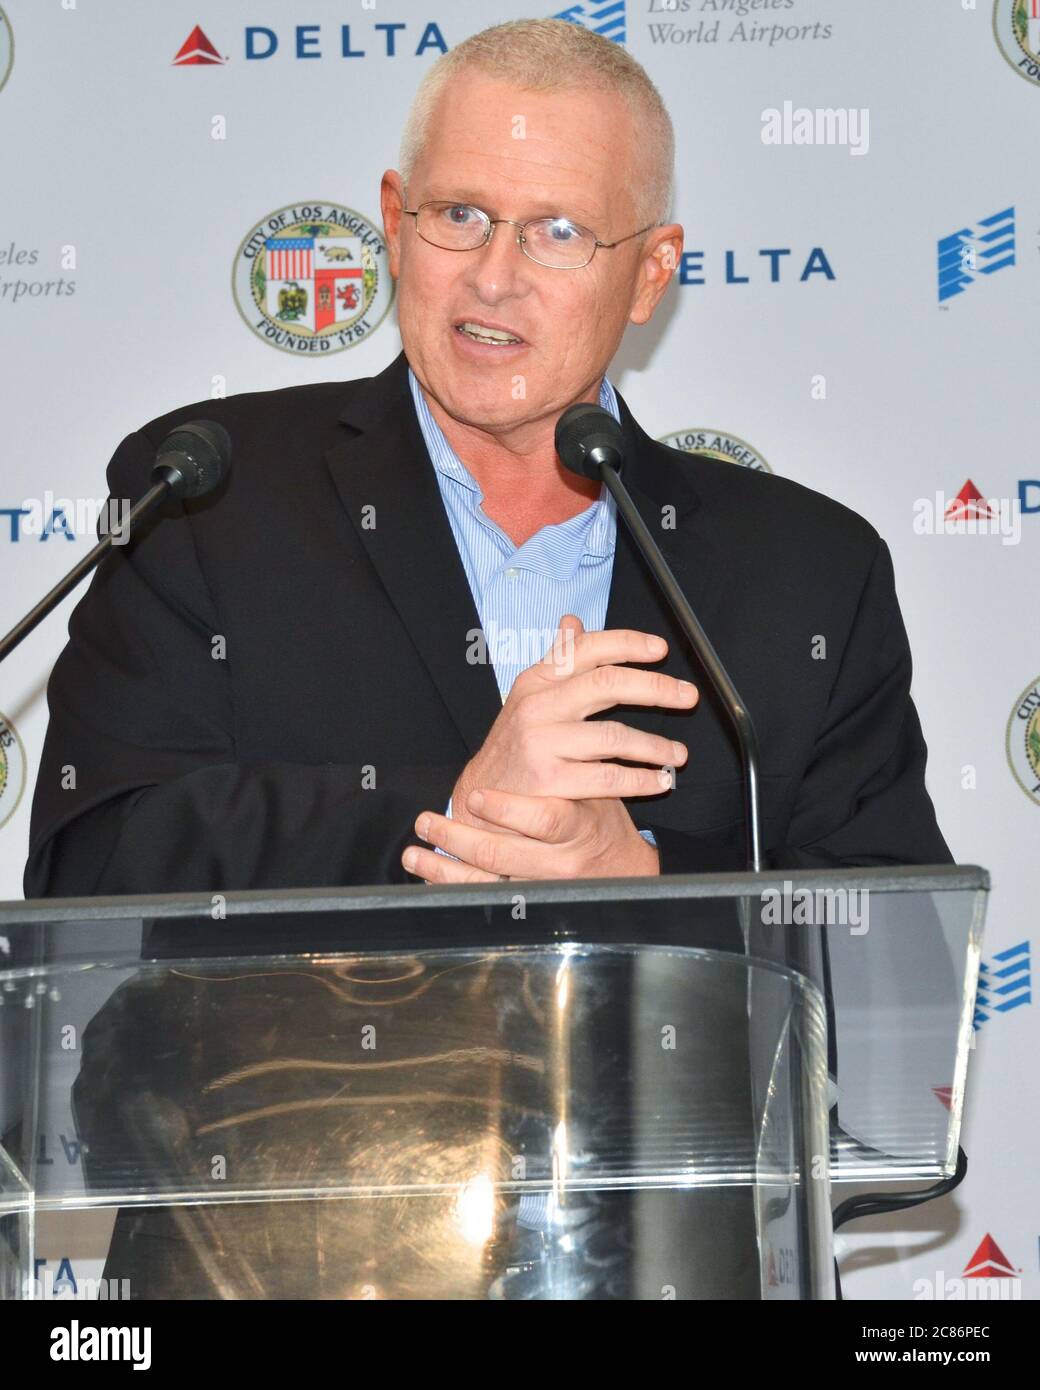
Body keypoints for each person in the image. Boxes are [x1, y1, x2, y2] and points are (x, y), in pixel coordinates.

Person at [23, 19, 951, 900]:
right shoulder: (208, 498)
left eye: (559, 232)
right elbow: (97, 859)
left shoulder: (812, 571)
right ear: (393, 222)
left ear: (652, 274)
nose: (494, 277)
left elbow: (887, 932)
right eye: (460, 214)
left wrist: (650, 883)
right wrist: (461, 807)